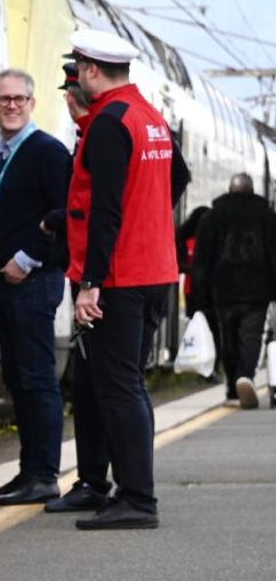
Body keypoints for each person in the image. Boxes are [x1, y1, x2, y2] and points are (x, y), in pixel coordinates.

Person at [66, 29, 190, 530]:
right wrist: (149, 214)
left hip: (119, 276)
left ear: (92, 71)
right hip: (152, 268)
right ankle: (132, 493)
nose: (76, 78)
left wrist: (90, 281)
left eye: (78, 70)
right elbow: (178, 177)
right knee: (127, 385)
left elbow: (105, 210)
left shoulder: (109, 122)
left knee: (118, 388)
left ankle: (138, 499)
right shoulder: (149, 117)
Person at [0, 68, 71, 506]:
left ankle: (45, 475)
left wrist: (25, 258)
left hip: (32, 282)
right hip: (9, 285)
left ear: (32, 104)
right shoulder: (7, 152)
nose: (10, 105)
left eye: (19, 99)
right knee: (18, 378)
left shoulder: (47, 152)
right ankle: (28, 472)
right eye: (3, 99)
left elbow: (67, 212)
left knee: (36, 379)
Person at [43, 61, 113, 514]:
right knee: (91, 384)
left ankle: (103, 483)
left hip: (101, 279)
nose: (67, 100)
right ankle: (98, 480)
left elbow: (103, 208)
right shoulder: (90, 133)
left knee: (101, 385)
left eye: (70, 91)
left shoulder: (104, 131)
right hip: (91, 272)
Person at [190, 173, 276, 409]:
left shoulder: (212, 217)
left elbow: (202, 260)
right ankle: (245, 376)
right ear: (251, 190)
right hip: (257, 290)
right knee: (251, 336)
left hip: (223, 289)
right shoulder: (267, 216)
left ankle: (232, 389)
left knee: (228, 338)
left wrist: (198, 295)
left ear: (229, 190)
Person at [176, 206, 214, 378]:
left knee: (212, 329)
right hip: (192, 290)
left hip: (211, 292)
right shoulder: (187, 240)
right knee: (197, 325)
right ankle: (196, 362)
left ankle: (209, 365)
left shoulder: (211, 240)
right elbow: (180, 264)